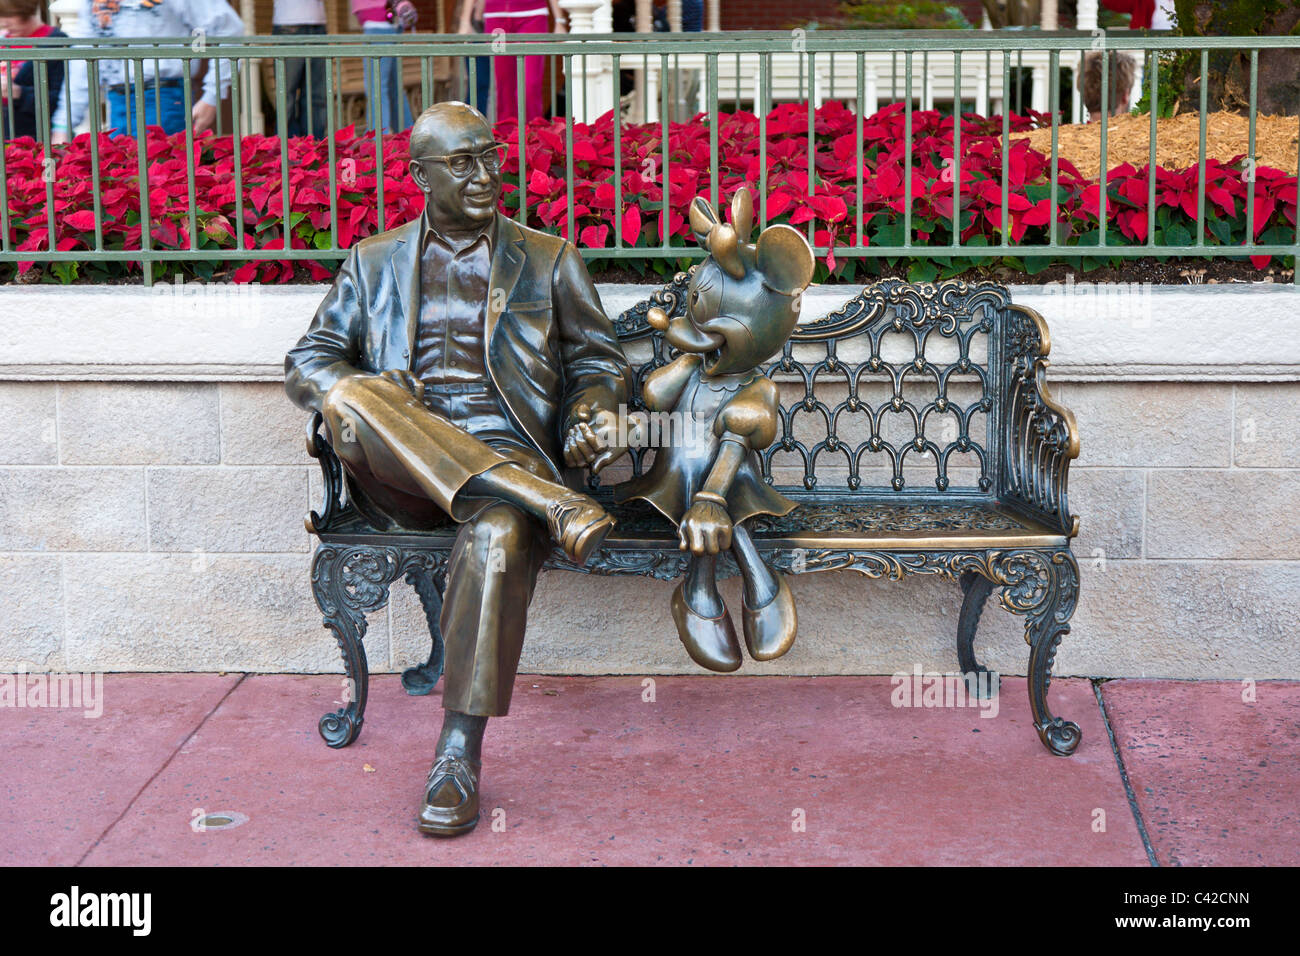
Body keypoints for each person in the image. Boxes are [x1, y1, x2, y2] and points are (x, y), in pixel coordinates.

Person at [284, 102, 633, 837]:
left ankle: (456, 751)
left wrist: (593, 408)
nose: (484, 175)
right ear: (420, 176)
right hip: (396, 474)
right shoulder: (371, 261)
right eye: (462, 162)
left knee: (500, 534)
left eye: (492, 156)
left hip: (503, 457)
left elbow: (599, 361)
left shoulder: (548, 258)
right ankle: (548, 502)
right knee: (356, 390)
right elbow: (308, 361)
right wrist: (364, 395)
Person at [51, 0, 244, 142]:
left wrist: (212, 95)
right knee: (126, 187)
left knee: (162, 186)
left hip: (165, 98)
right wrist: (63, 124)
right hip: (118, 100)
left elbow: (229, 29)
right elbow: (83, 60)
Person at [481, 0, 566, 125]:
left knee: (531, 84)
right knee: (503, 85)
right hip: (496, 19)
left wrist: (560, 21)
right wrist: (465, 20)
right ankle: (508, 138)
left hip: (533, 16)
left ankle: (533, 135)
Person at [0, 0, 67, 141]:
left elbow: (62, 101)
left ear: (28, 10)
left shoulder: (55, 42)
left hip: (30, 140)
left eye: (10, 15)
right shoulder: (3, 40)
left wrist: (18, 92)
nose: (3, 22)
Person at [352, 0, 414, 134]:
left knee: (377, 88)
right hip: (389, 22)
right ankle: (409, 137)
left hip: (378, 23)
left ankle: (378, 143)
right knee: (393, 87)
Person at [274, 0, 327, 138]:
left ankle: (314, 149)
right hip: (288, 24)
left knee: (317, 95)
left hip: (318, 25)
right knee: (286, 95)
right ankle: (286, 152)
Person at [455, 0, 491, 117]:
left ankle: (478, 124)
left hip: (491, 23)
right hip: (476, 26)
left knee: (483, 84)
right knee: (477, 82)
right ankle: (471, 124)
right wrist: (466, 21)